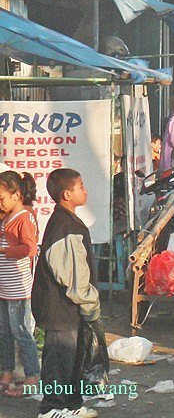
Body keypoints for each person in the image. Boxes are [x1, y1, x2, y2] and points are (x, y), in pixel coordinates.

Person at [32, 169, 101, 418]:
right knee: (59, 360)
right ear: (67, 194)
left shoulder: (69, 221)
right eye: (81, 186)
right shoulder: (63, 225)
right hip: (60, 308)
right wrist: (90, 303)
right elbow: (72, 275)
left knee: (73, 360)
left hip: (69, 309)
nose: (85, 190)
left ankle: (72, 405)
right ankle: (51, 408)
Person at [0, 171, 39, 398]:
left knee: (21, 332)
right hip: (4, 287)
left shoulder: (23, 218)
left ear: (16, 195)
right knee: (4, 333)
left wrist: (4, 250)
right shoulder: (6, 216)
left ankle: (32, 377)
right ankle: (6, 374)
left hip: (18, 288)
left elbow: (30, 249)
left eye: (2, 198)